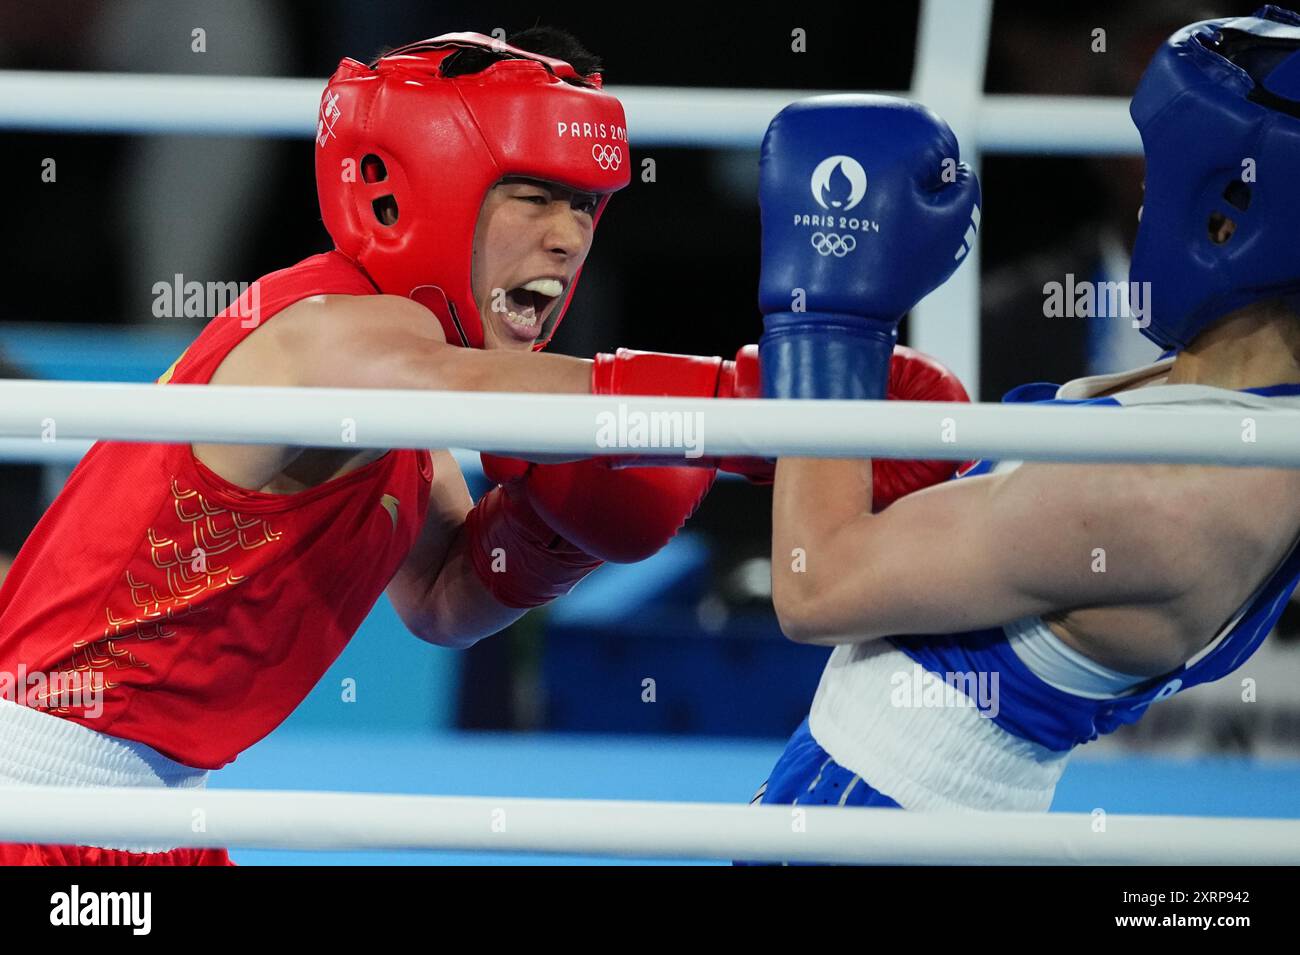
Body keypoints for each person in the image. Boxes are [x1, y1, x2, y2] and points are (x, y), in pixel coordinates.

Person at [0, 28, 961, 865]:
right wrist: (794, 397)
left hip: (147, 809)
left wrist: (557, 536)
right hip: (45, 800)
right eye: (534, 196)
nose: (565, 240)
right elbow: (500, 397)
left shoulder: (406, 402)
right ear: (408, 190)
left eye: (585, 207)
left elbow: (439, 598)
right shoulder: (328, 335)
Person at [753, 8, 1300, 825]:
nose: (1143, 201)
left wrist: (831, 317)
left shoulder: (1164, 491)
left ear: (1228, 217)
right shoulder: (1228, 415)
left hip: (876, 829)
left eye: (1161, 179)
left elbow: (813, 582)